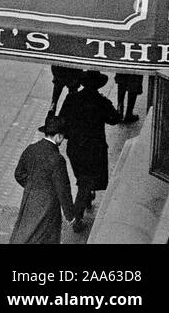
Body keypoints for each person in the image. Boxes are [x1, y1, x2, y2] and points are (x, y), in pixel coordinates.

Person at [58, 70, 122, 233]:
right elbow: (115, 119)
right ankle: (76, 217)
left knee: (83, 178)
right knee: (86, 181)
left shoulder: (72, 99)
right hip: (94, 148)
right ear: (98, 85)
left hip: (75, 147)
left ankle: (86, 198)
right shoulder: (101, 102)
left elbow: (62, 120)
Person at [8, 115, 76, 244]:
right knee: (46, 237)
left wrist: (32, 186)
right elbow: (63, 190)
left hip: (30, 200)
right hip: (49, 206)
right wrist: (70, 215)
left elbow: (18, 174)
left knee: (25, 233)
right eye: (62, 137)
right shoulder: (57, 159)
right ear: (58, 136)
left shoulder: (31, 149)